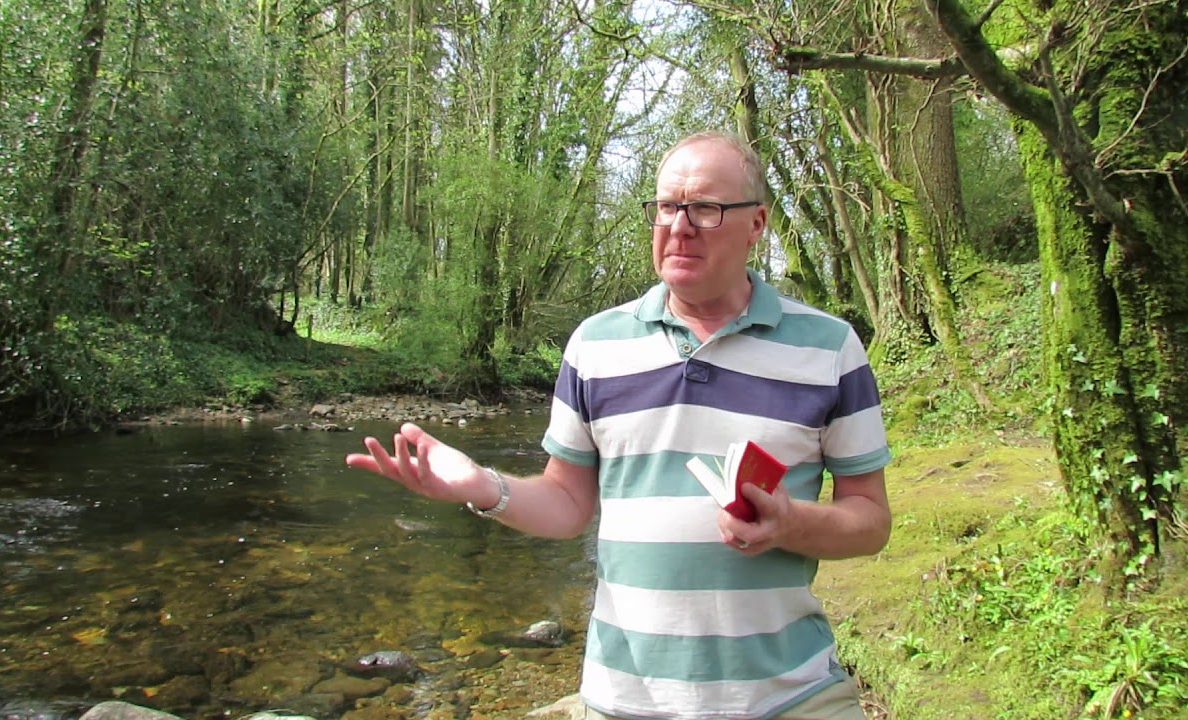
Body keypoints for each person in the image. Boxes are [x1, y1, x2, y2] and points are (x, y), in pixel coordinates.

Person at [346, 131, 892, 720]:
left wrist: (791, 523)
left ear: (756, 224)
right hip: (625, 700)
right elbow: (566, 503)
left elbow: (870, 522)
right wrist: (483, 486)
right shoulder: (594, 344)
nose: (678, 226)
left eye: (705, 209)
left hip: (790, 696)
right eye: (665, 206)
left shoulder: (830, 348)